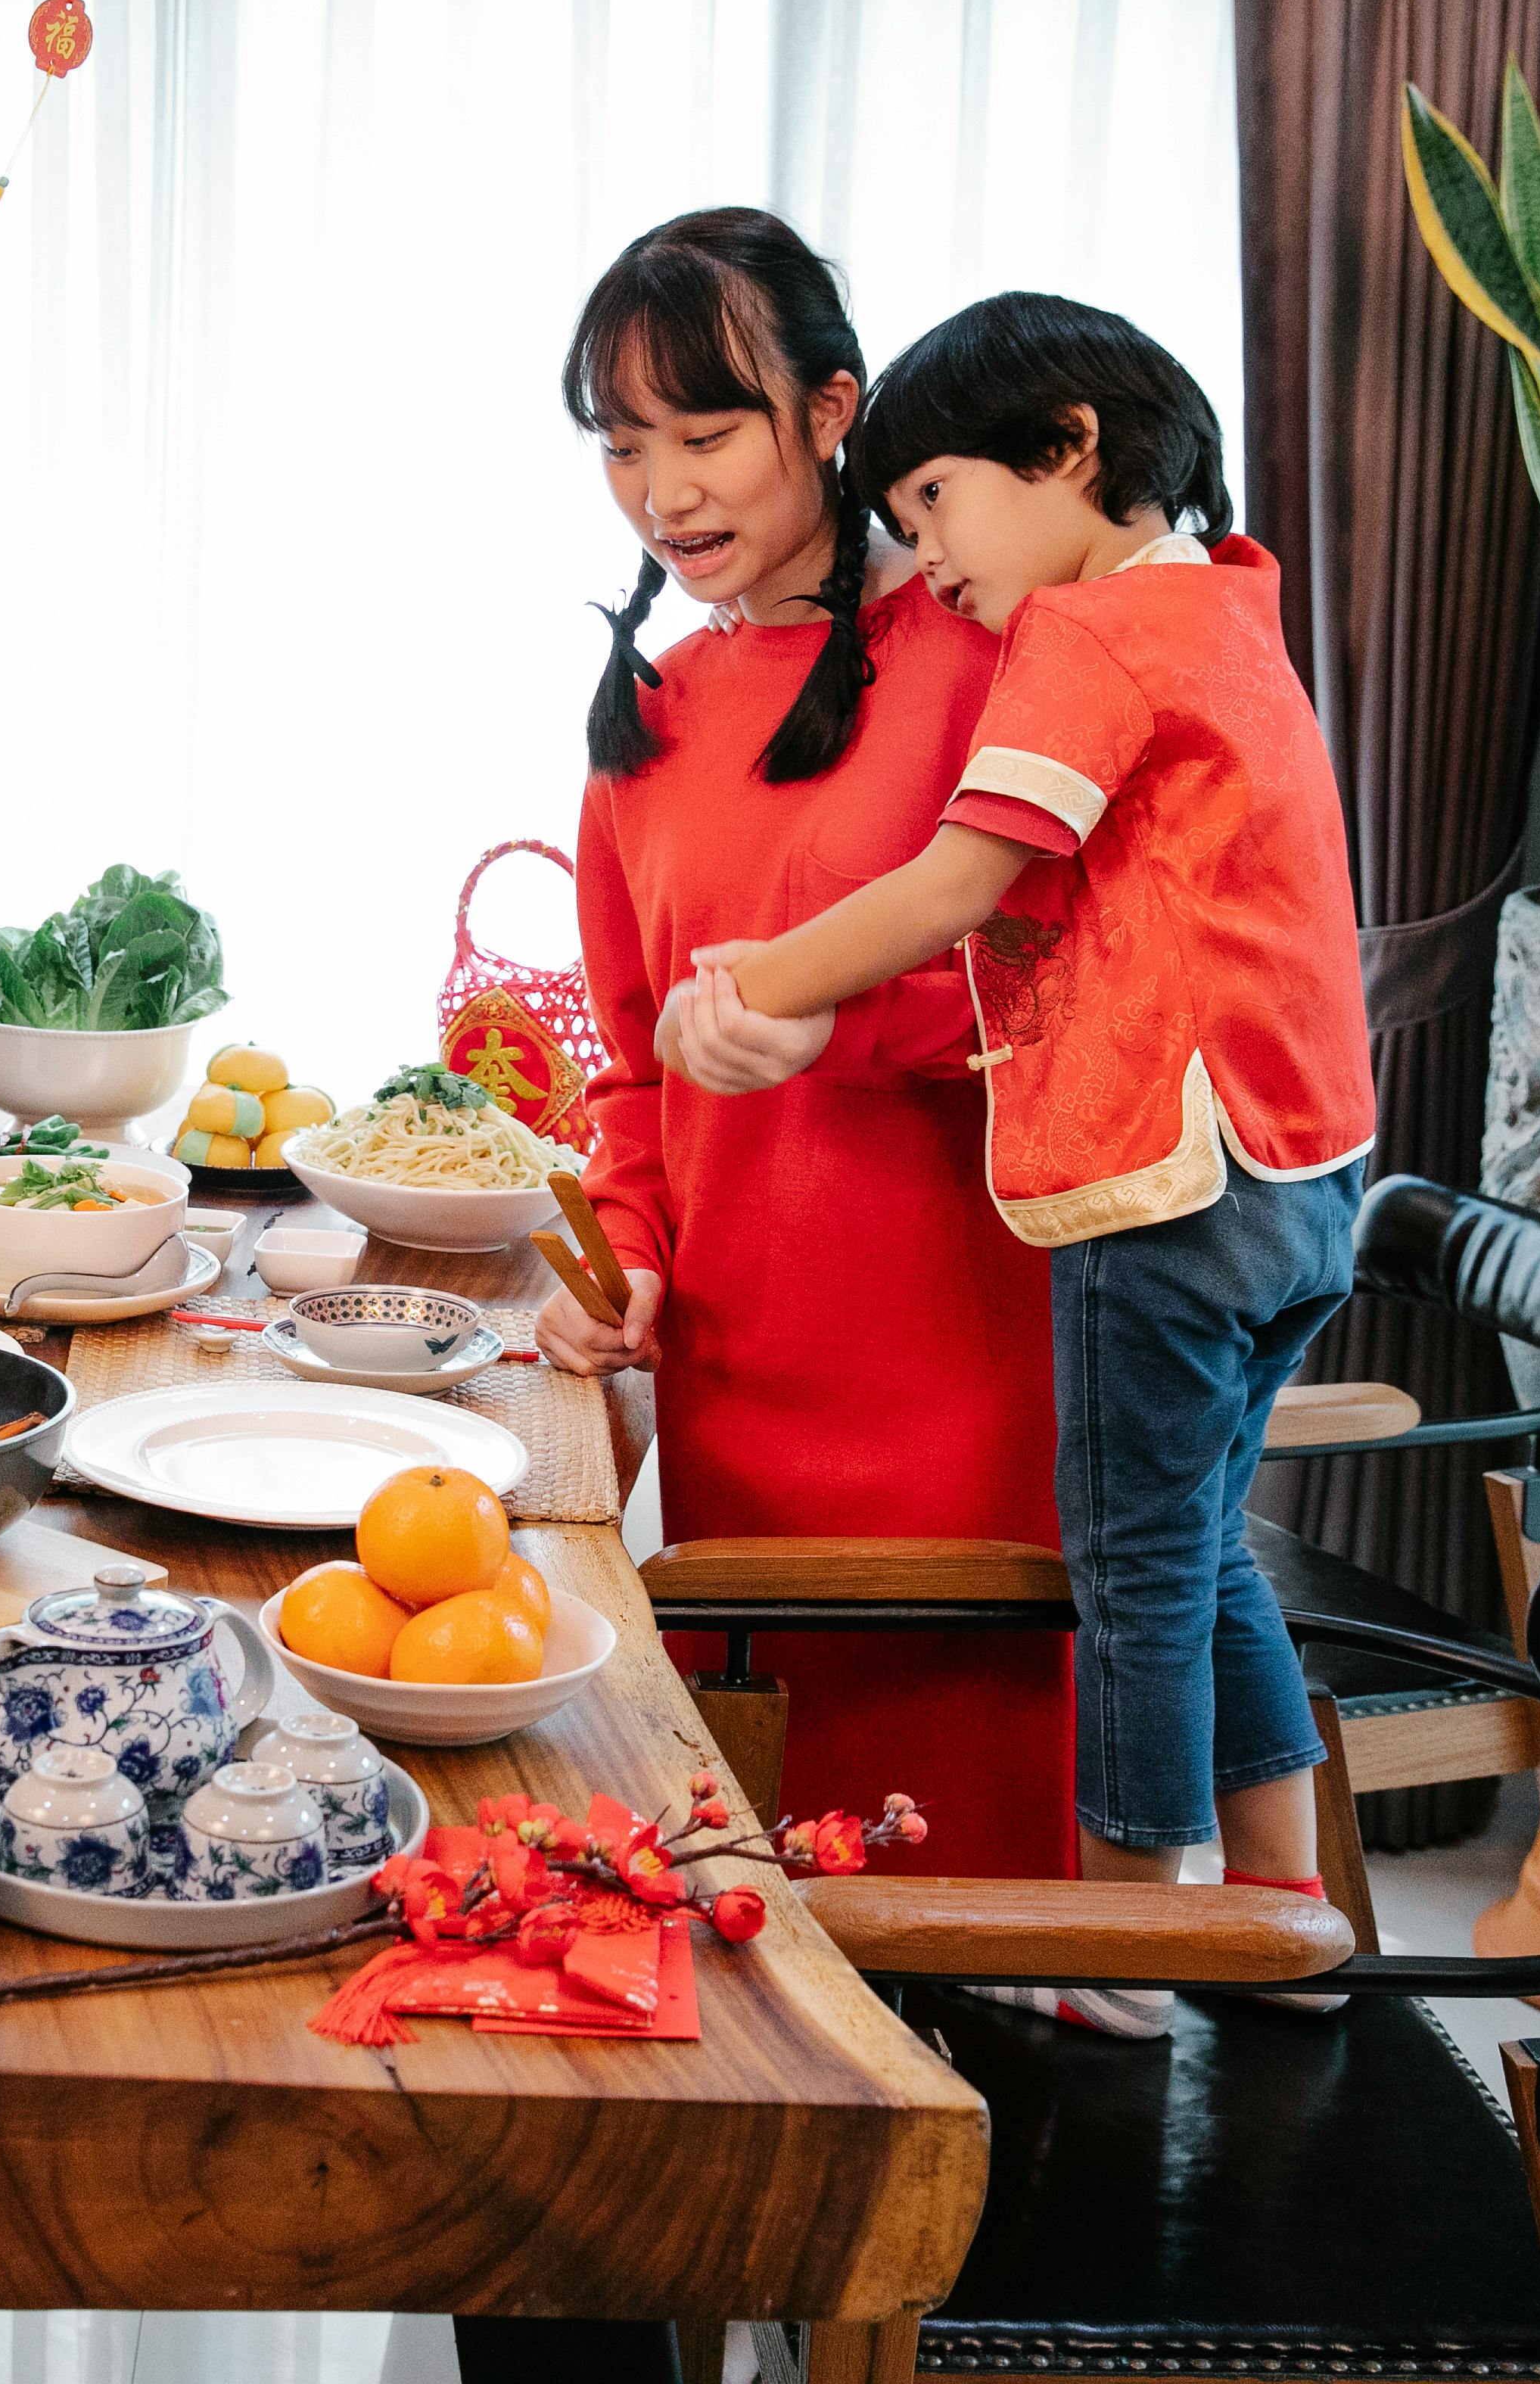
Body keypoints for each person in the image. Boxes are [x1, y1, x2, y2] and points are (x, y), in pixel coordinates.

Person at [665, 290, 1378, 2034]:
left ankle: (1122, 1945)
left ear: (1068, 451)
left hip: (1168, 1182)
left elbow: (957, 882)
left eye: (935, 503)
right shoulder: (1233, 605)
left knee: (1130, 1573)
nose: (927, 556)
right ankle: (1281, 1918)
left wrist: (757, 981)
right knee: (1210, 1551)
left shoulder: (1088, 634)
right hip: (1306, 1176)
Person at [535, 210, 1074, 1881]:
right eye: (625, 447)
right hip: (735, 1386)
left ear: (832, 411)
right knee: (768, 1888)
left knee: (976, 1898)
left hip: (964, 1377)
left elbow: (1075, 983)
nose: (663, 492)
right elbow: (635, 1077)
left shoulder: (993, 654)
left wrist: (851, 1025)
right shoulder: (648, 721)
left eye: (707, 435)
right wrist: (624, 1252)